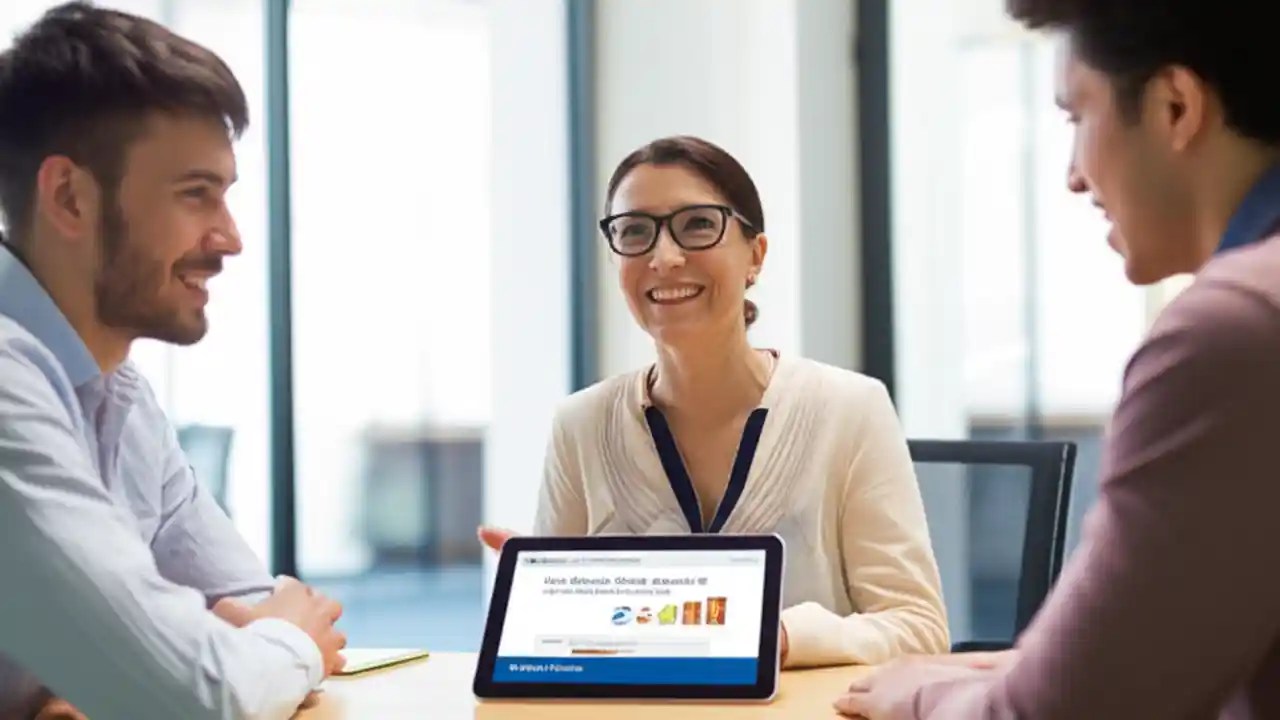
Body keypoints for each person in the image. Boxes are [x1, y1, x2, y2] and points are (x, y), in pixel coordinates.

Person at [834, 2, 1280, 718]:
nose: (1074, 175)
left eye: (1077, 117)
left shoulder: (1233, 329)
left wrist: (921, 694)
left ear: (1174, 105)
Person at [479, 135, 950, 668]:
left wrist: (777, 638)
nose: (664, 257)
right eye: (634, 232)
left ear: (756, 255)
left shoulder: (849, 408)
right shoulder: (581, 424)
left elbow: (919, 627)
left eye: (698, 225)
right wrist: (541, 598)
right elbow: (563, 650)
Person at [0, 3, 345, 718]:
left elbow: (246, 609)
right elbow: (207, 687)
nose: (230, 238)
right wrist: (268, 647)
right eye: (196, 195)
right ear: (70, 197)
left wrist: (123, 678)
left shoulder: (120, 396)